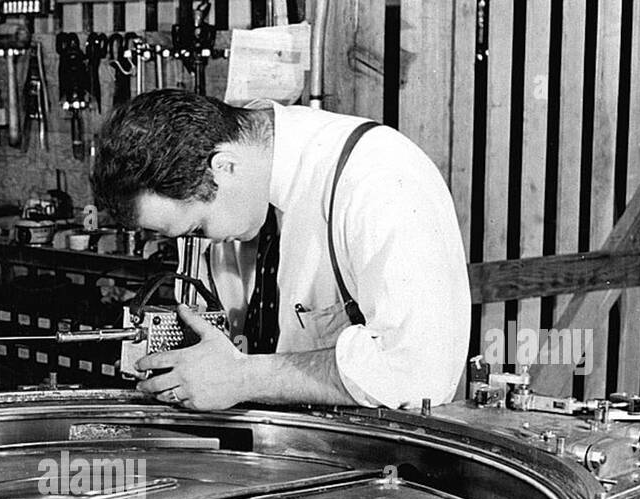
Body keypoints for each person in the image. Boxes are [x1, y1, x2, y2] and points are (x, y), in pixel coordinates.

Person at [90, 90, 471, 411]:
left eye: (198, 228)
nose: (203, 242)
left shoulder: (380, 178)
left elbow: (418, 370)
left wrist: (241, 376)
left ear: (224, 167)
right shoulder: (240, 191)